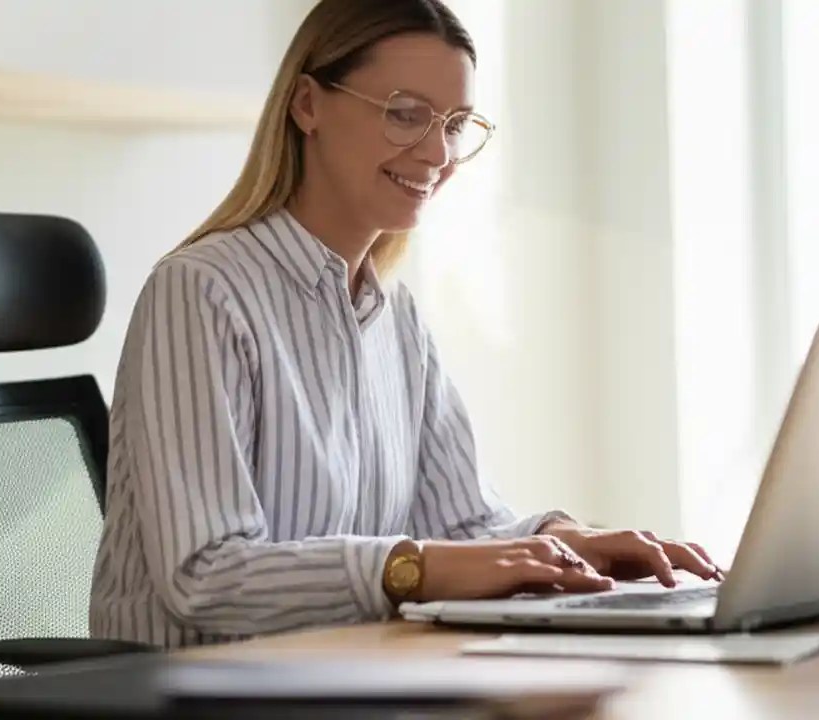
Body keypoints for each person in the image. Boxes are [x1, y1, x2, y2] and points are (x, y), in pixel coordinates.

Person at [89, 0, 722, 648]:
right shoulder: (202, 292)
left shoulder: (398, 320)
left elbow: (465, 524)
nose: (436, 153)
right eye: (405, 115)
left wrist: (565, 543)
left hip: (341, 678)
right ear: (307, 105)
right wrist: (409, 568)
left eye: (455, 124)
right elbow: (205, 576)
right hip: (193, 694)